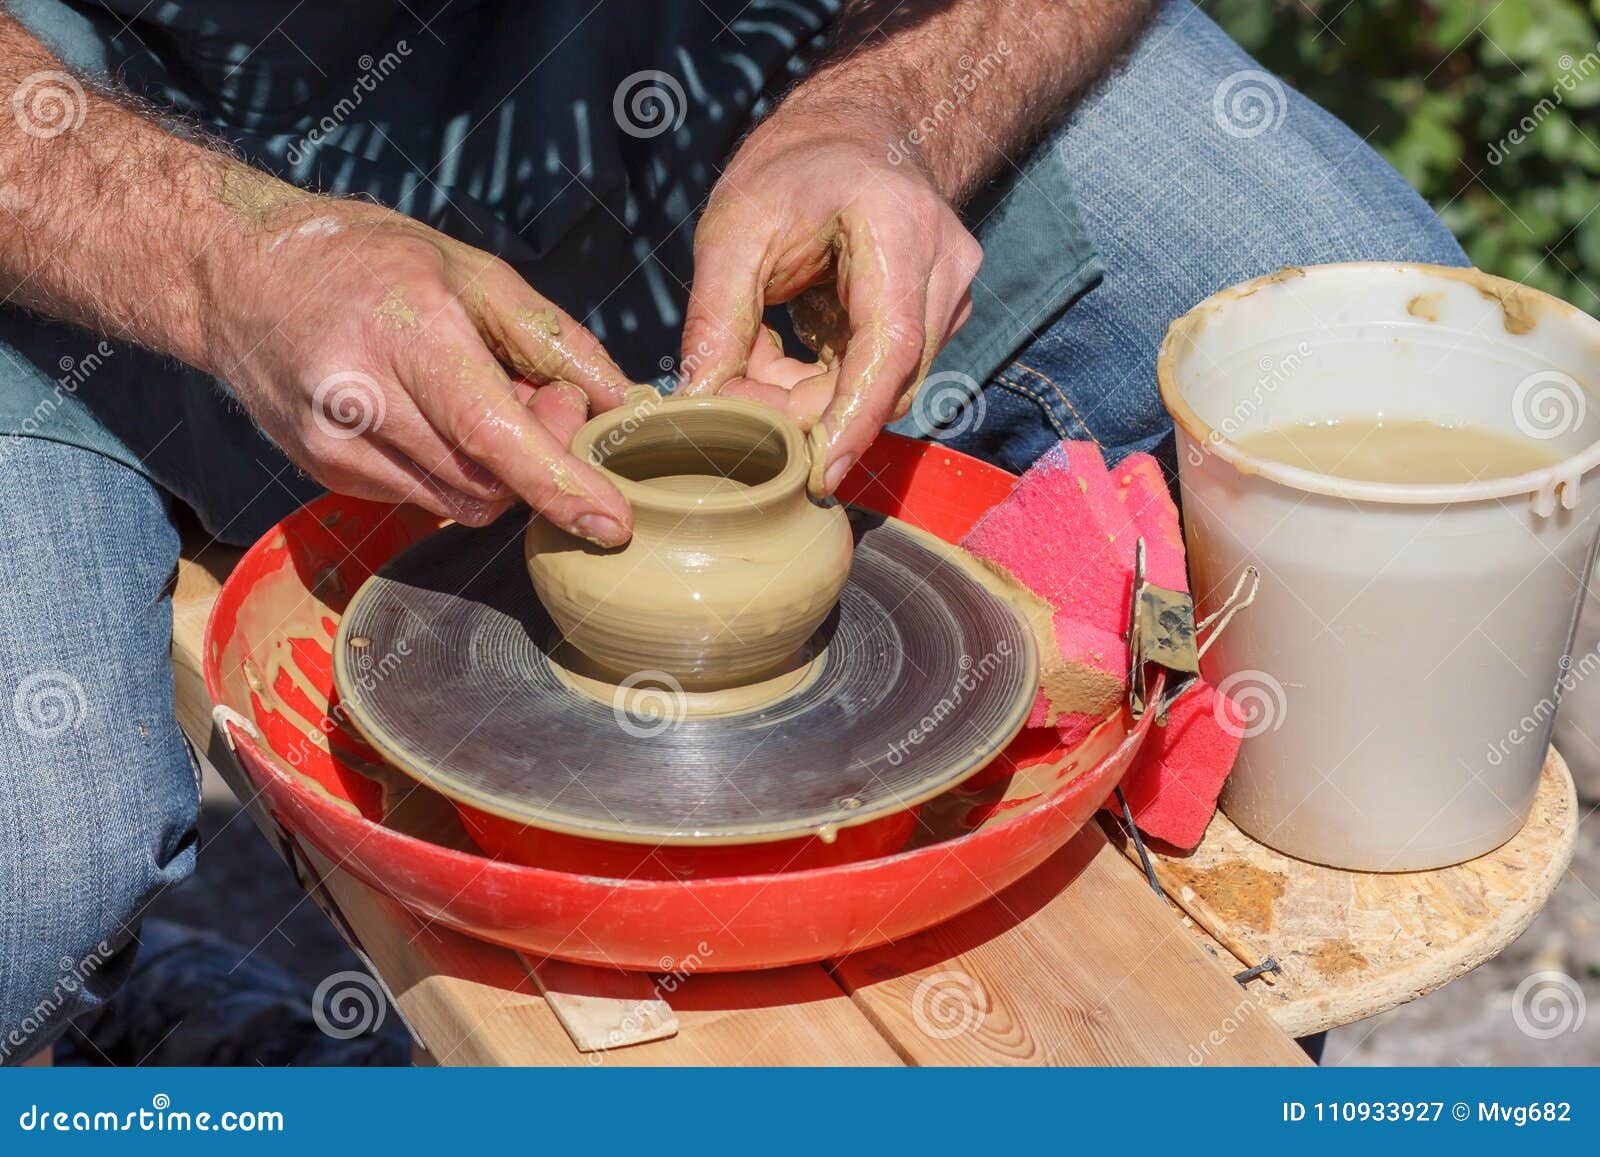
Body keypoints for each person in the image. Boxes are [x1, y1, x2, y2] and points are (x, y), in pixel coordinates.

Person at [0, 0, 1465, 1064]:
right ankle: (139, 1047)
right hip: (120, 115)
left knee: (1392, 422)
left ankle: (1195, 1058)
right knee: (30, 863)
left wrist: (890, 117)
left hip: (752, 47)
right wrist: (216, 258)